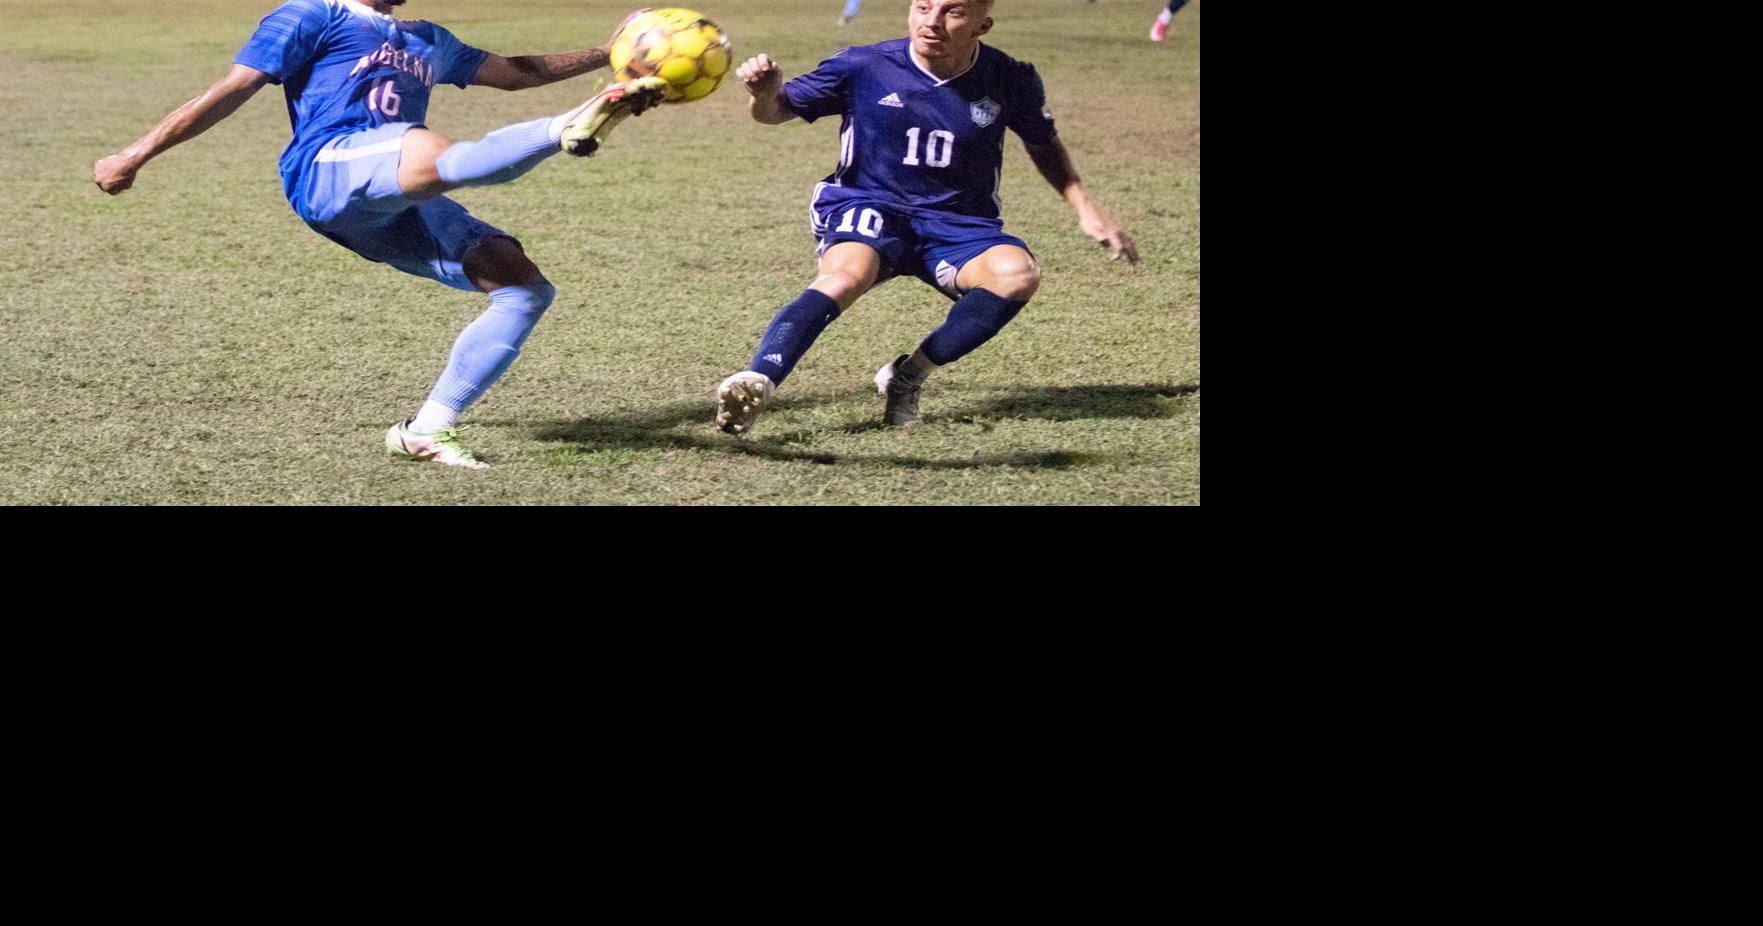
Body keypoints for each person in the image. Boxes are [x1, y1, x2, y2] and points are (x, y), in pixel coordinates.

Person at [93, 0, 667, 469]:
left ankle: (426, 430)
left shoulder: (427, 39)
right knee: (428, 149)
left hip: (396, 193)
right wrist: (135, 154)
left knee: (522, 287)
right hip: (328, 168)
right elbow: (231, 88)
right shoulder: (312, 15)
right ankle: (568, 125)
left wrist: (611, 52)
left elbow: (519, 74)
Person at [714, 0, 1137, 437]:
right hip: (871, 204)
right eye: (922, 7)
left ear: (982, 25)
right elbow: (775, 112)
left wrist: (1087, 212)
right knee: (845, 276)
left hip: (958, 221)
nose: (932, 22)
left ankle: (908, 376)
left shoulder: (1011, 78)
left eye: (952, 12)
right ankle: (758, 381)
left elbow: (1043, 143)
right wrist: (764, 94)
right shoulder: (864, 65)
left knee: (1017, 275)